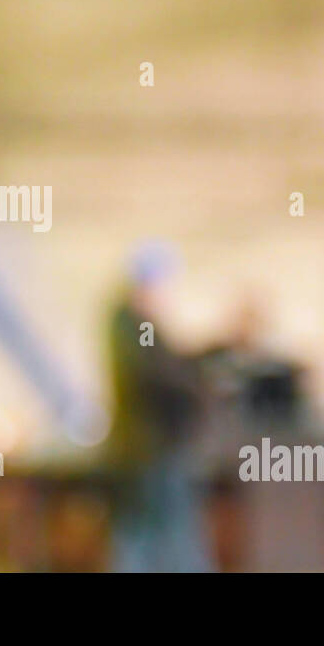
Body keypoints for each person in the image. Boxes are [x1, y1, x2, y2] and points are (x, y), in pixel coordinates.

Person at [104, 241, 213, 572]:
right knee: (153, 535)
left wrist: (212, 351)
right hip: (148, 449)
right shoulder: (131, 324)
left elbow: (171, 363)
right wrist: (197, 387)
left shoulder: (138, 325)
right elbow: (158, 373)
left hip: (156, 447)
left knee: (163, 533)